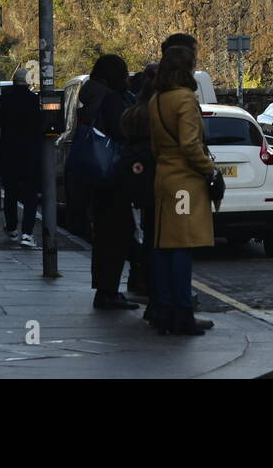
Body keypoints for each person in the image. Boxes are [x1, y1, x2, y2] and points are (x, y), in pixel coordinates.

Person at [150, 45, 216, 336]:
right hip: (184, 184)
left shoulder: (157, 99)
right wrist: (210, 169)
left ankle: (164, 309)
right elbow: (190, 145)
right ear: (187, 68)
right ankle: (182, 313)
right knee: (181, 247)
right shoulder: (185, 99)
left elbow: (155, 146)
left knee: (164, 246)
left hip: (163, 176)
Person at [78, 54, 138, 310]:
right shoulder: (110, 98)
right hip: (113, 175)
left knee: (106, 236)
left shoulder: (91, 94)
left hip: (97, 174)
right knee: (116, 235)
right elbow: (121, 131)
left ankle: (106, 289)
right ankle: (109, 291)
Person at [119, 63, 159, 320]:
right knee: (158, 238)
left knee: (142, 232)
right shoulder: (158, 110)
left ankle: (139, 278)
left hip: (136, 178)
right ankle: (153, 289)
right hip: (155, 178)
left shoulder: (132, 109)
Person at [0, 68, 44, 247]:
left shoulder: (5, 99)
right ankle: (27, 233)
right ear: (28, 82)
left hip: (9, 153)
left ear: (14, 81)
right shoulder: (36, 100)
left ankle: (11, 227)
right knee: (30, 195)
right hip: (31, 154)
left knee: (10, 193)